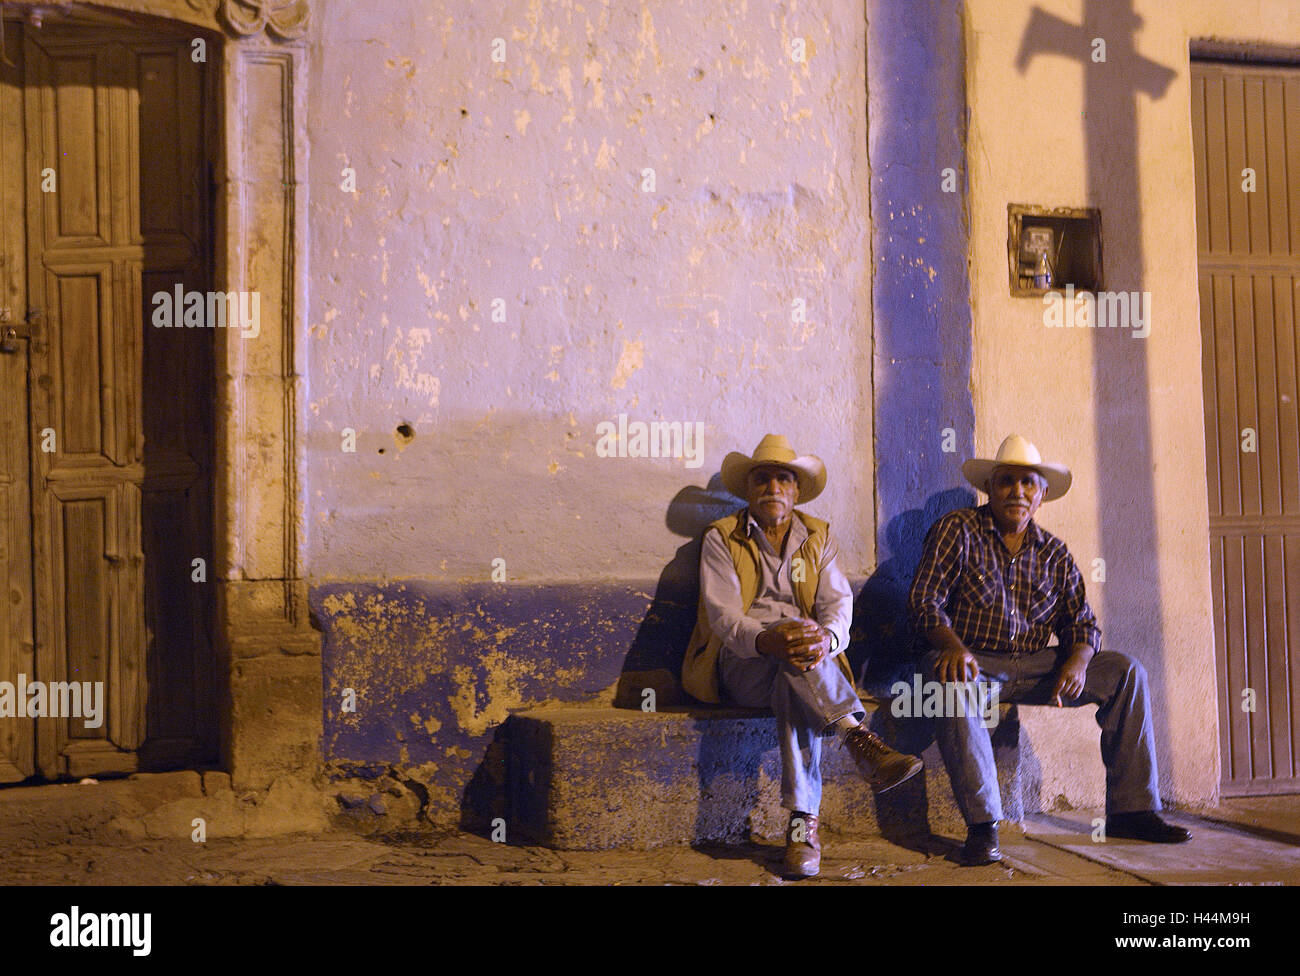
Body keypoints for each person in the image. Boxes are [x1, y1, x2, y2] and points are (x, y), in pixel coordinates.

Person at [909, 434, 1192, 866]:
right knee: (950, 680)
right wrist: (951, 647)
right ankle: (984, 828)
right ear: (990, 487)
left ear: (1041, 495)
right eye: (1006, 482)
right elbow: (924, 600)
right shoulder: (958, 529)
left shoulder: (1055, 553)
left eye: (1028, 484)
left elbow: (1083, 623)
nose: (1017, 493)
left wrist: (1078, 661)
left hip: (1036, 667)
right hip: (974, 662)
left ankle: (1132, 811)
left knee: (1124, 671)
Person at [683, 434, 922, 879]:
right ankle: (856, 740)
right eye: (762, 478)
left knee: (798, 672)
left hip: (804, 664)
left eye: (782, 478)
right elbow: (723, 618)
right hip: (742, 661)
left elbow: (839, 609)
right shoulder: (722, 537)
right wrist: (770, 638)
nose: (772, 487)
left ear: (796, 490)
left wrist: (824, 640)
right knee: (794, 656)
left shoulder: (817, 535)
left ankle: (801, 828)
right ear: (748, 489)